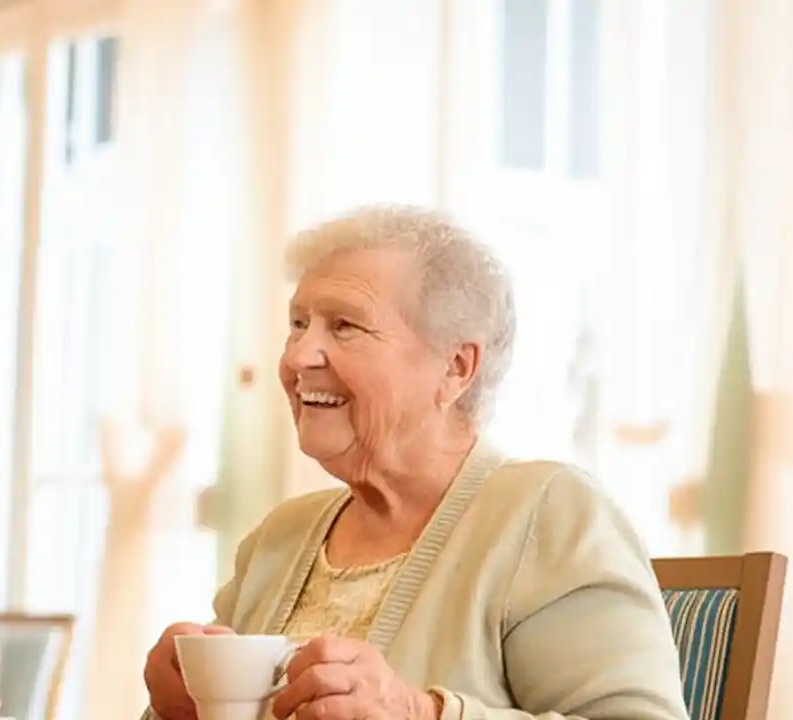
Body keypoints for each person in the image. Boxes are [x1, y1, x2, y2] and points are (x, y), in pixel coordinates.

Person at [142, 205, 688, 720]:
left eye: (345, 326)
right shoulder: (278, 539)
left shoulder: (550, 514)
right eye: (298, 323)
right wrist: (173, 707)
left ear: (455, 367)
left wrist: (418, 711)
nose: (297, 357)